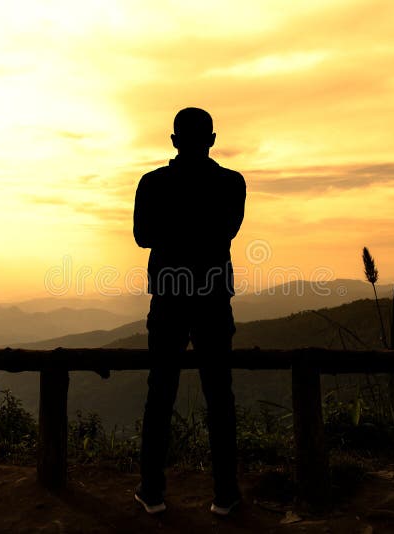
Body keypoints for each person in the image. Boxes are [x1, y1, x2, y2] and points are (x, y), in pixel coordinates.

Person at [132, 107, 246, 516]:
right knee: (220, 397)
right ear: (212, 140)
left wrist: (173, 226)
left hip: (168, 299)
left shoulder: (152, 183)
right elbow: (227, 231)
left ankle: (152, 491)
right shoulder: (232, 183)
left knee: (160, 395)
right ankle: (225, 494)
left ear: (174, 140)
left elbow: (143, 237)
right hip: (214, 300)